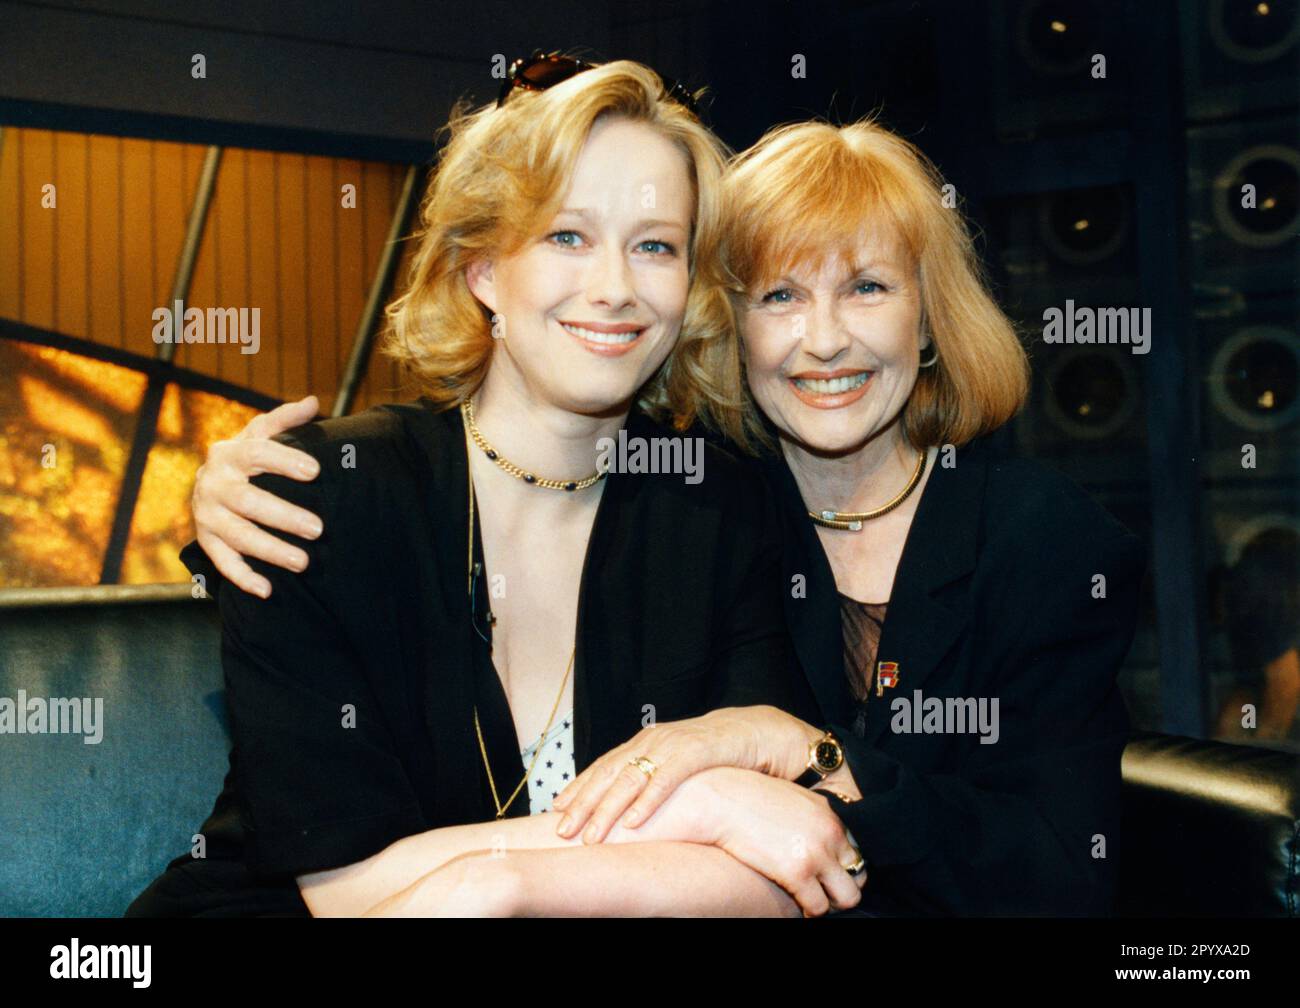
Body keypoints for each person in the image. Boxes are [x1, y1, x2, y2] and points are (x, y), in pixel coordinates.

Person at [178, 117, 1144, 916]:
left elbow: (1062, 871)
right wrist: (223, 483)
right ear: (727, 320)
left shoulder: (1028, 538)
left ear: (929, 318)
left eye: (868, 287)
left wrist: (799, 760)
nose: (823, 339)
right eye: (777, 294)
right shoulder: (725, 499)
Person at [127, 56, 865, 919]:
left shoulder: (719, 509)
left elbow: (784, 869)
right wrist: (695, 810)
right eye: (566, 236)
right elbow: (341, 880)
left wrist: (499, 883)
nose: (617, 288)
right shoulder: (315, 496)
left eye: (656, 246)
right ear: (482, 270)